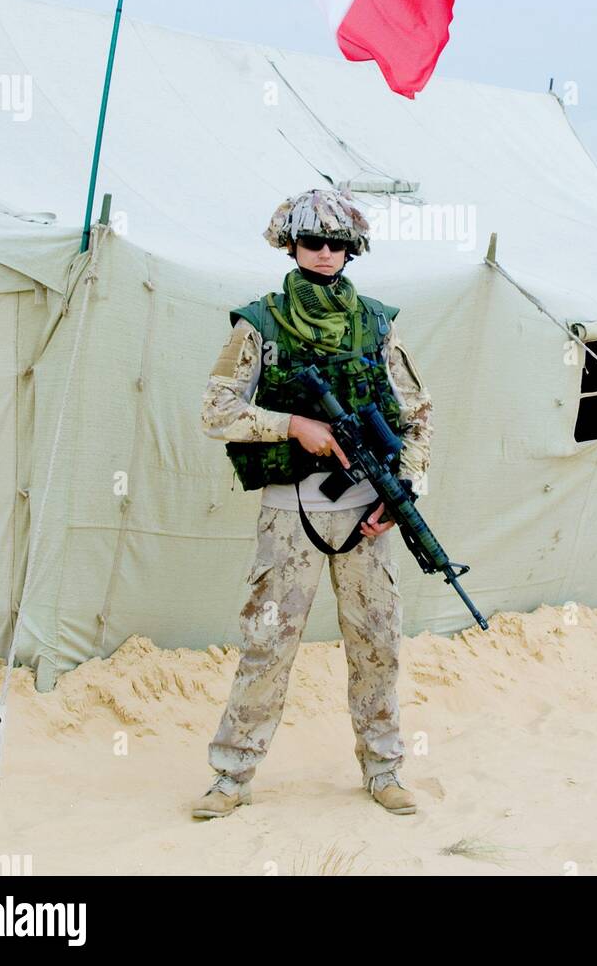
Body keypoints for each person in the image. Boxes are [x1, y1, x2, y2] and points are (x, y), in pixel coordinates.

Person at [191, 188, 433, 819]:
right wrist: (292, 427)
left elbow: (416, 414)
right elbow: (216, 411)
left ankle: (384, 769)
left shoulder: (379, 323)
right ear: (291, 246)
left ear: (351, 250)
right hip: (290, 510)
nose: (325, 254)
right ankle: (232, 775)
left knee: (377, 641)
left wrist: (401, 495)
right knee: (267, 644)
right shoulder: (261, 323)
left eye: (337, 244)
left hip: (366, 513)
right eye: (312, 243)